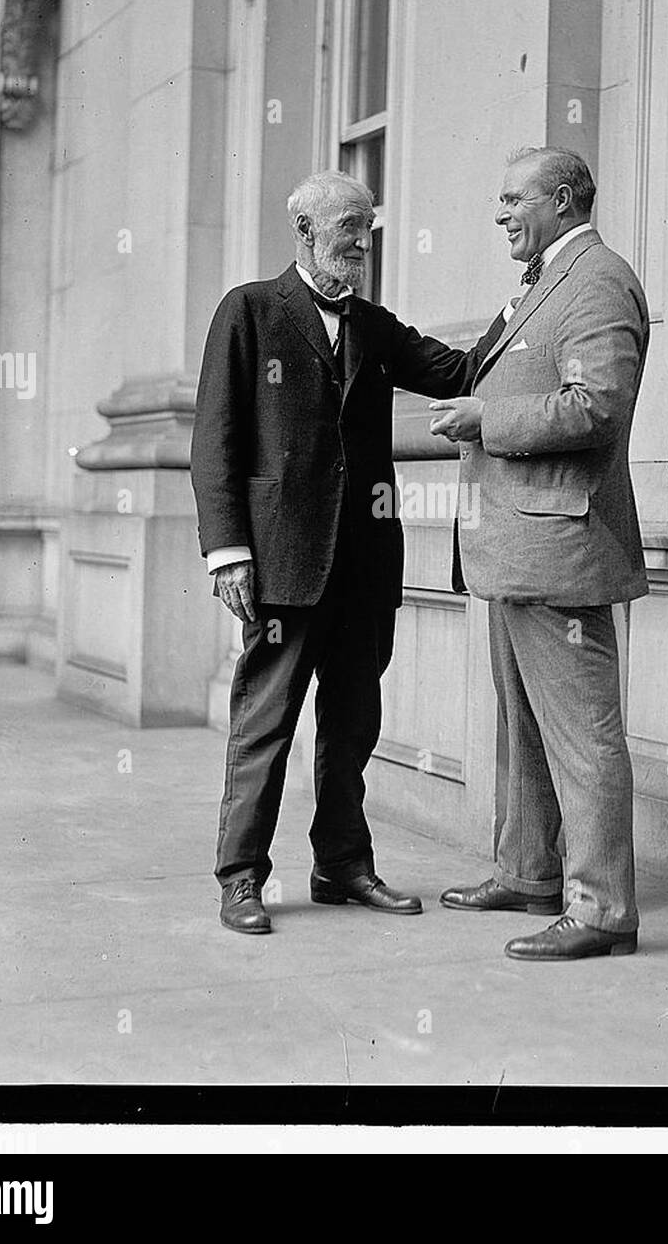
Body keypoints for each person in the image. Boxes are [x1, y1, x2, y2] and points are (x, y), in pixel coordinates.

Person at [191, 170, 486, 936]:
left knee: (352, 725)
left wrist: (528, 307)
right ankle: (241, 878)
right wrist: (228, 551)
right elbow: (214, 440)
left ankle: (342, 865)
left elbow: (455, 370)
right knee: (266, 724)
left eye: (368, 226)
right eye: (349, 224)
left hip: (363, 568)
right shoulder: (249, 311)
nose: (362, 240)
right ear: (303, 229)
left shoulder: (373, 324)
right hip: (282, 564)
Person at [429, 146, 650, 961]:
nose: (499, 215)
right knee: (521, 722)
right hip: (519, 545)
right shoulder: (545, 280)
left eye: (512, 198)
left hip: (560, 546)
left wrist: (486, 420)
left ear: (561, 199)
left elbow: (596, 406)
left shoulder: (596, 278)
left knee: (581, 734)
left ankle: (601, 911)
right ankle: (527, 872)